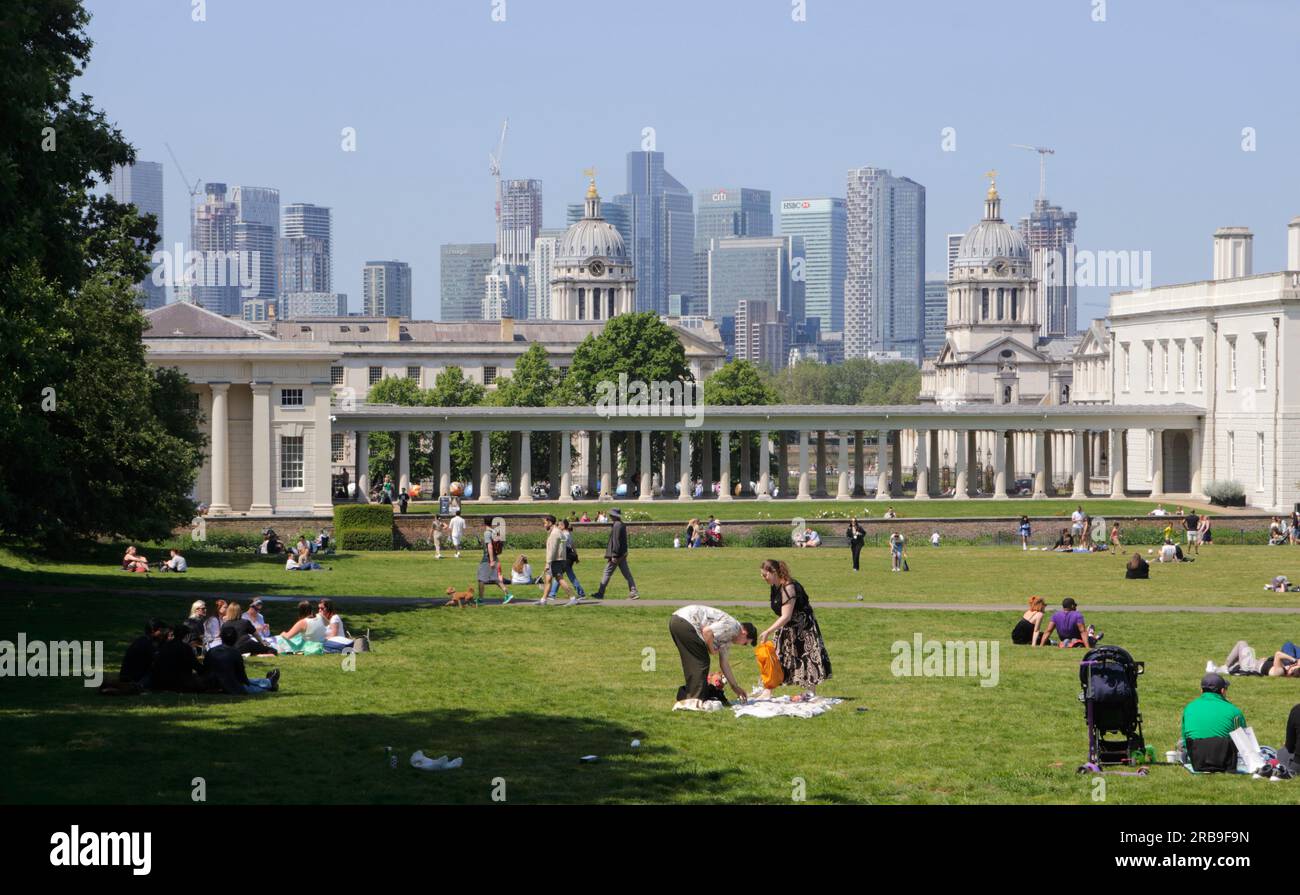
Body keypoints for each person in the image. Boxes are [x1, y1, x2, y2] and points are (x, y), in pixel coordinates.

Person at [757, 560, 832, 697]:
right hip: (787, 626)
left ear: (774, 572)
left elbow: (786, 616)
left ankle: (810, 691)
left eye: (765, 575)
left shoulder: (788, 587)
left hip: (803, 628)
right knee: (776, 657)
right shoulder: (775, 586)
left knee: (806, 657)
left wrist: (768, 631)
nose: (763, 578)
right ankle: (768, 690)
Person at [668, 604, 754, 705]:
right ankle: (696, 700)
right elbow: (707, 632)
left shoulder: (729, 638)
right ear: (744, 633)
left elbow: (724, 664)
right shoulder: (733, 627)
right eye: (745, 643)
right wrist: (712, 650)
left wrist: (735, 687)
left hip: (677, 620)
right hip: (685, 621)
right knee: (702, 661)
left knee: (693, 662)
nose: (742, 645)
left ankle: (688, 697)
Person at [1180, 673, 1245, 772]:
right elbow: (1243, 741)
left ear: (1201, 690)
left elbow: (1185, 739)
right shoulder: (1234, 711)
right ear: (1222, 691)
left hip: (1197, 760)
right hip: (1224, 762)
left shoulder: (1189, 708)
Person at [205, 627, 280, 695]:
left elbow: (205, 669)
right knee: (257, 688)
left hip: (214, 684)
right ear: (236, 638)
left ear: (221, 637)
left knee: (246, 682)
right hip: (232, 687)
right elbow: (242, 677)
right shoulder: (235, 653)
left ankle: (268, 682)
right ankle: (269, 684)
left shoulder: (211, 651)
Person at [594, 508, 638, 600]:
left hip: (617, 555)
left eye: (611, 515)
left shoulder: (617, 525)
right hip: (622, 554)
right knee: (627, 574)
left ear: (614, 516)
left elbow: (616, 541)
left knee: (607, 572)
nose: (610, 516)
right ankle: (633, 592)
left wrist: (614, 555)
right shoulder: (621, 524)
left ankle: (600, 593)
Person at [150, 624, 208, 692]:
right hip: (179, 683)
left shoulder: (165, 646)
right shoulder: (185, 648)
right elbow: (197, 666)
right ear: (185, 635)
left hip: (161, 682)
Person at [476, 517, 514, 606]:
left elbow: (490, 546)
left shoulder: (487, 533)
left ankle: (480, 599)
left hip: (488, 558)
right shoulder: (494, 532)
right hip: (495, 557)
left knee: (481, 579)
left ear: (484, 523)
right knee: (495, 578)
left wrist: (491, 561)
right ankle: (508, 594)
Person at [538, 515, 575, 606]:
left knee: (559, 579)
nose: (544, 525)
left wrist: (548, 563)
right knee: (548, 579)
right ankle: (543, 600)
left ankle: (573, 598)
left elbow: (552, 550)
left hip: (555, 561)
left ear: (550, 523)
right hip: (557, 559)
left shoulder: (555, 533)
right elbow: (562, 545)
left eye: (545, 523)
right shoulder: (557, 531)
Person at [1209, 641, 1300, 678]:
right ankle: (1221, 668)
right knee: (1241, 651)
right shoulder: (1283, 669)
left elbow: (1278, 654)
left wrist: (1294, 660)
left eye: (1292, 669)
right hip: (1254, 662)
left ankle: (1224, 668)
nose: (1291, 667)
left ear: (1290, 674)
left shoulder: (1279, 671)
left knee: (1242, 643)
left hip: (1249, 665)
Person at [120, 619, 168, 684]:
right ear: (153, 631)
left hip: (130, 677)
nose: (163, 633)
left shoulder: (142, 640)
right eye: (161, 631)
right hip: (134, 680)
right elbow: (159, 662)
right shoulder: (147, 644)